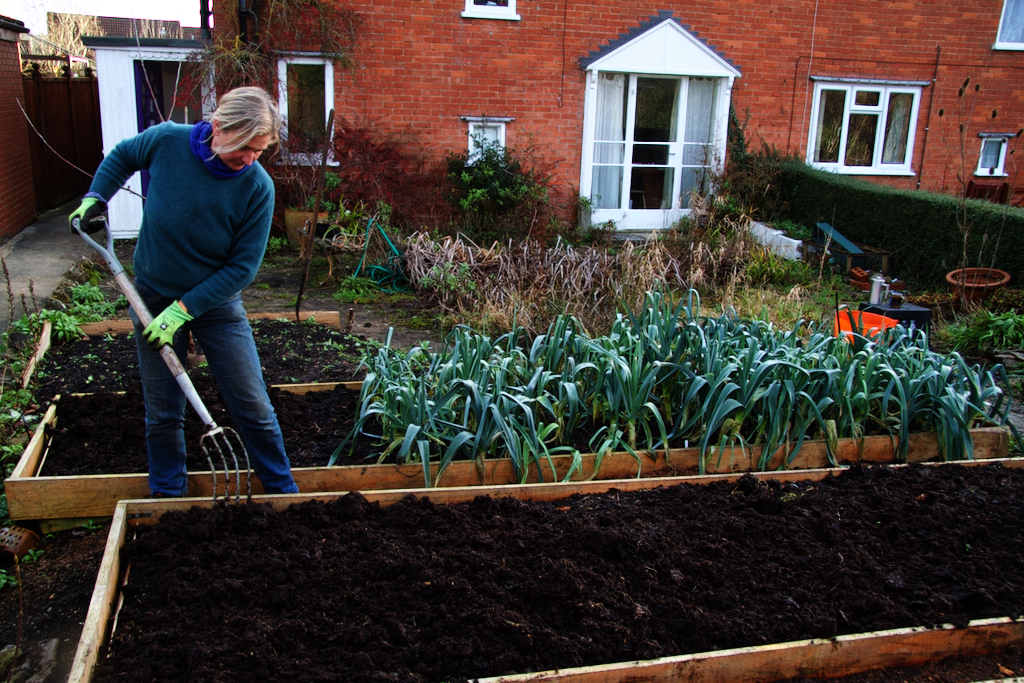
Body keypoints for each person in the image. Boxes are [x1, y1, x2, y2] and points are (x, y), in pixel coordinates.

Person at [69, 86, 299, 497]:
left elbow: (242, 269)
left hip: (214, 302)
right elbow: (123, 155)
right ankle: (167, 495)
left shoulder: (257, 188)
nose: (249, 159)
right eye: (245, 147)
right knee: (162, 409)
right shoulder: (168, 140)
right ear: (218, 127)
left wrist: (184, 310)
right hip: (152, 296)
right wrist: (94, 197)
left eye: (260, 152)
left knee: (252, 404)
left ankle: (283, 490)